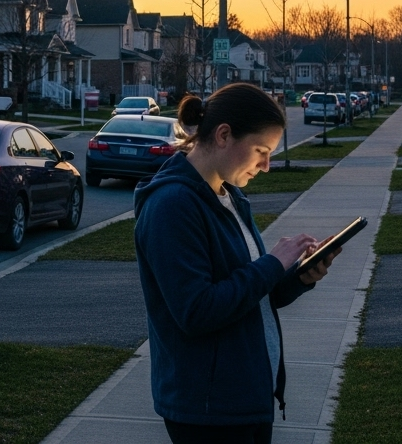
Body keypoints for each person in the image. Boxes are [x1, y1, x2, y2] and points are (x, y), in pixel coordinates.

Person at [134, 83, 339, 444]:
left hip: (244, 400)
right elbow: (196, 311)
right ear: (224, 135)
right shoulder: (172, 206)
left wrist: (298, 278)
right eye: (261, 151)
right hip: (209, 412)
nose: (266, 166)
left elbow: (247, 296)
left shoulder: (227, 197)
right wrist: (273, 262)